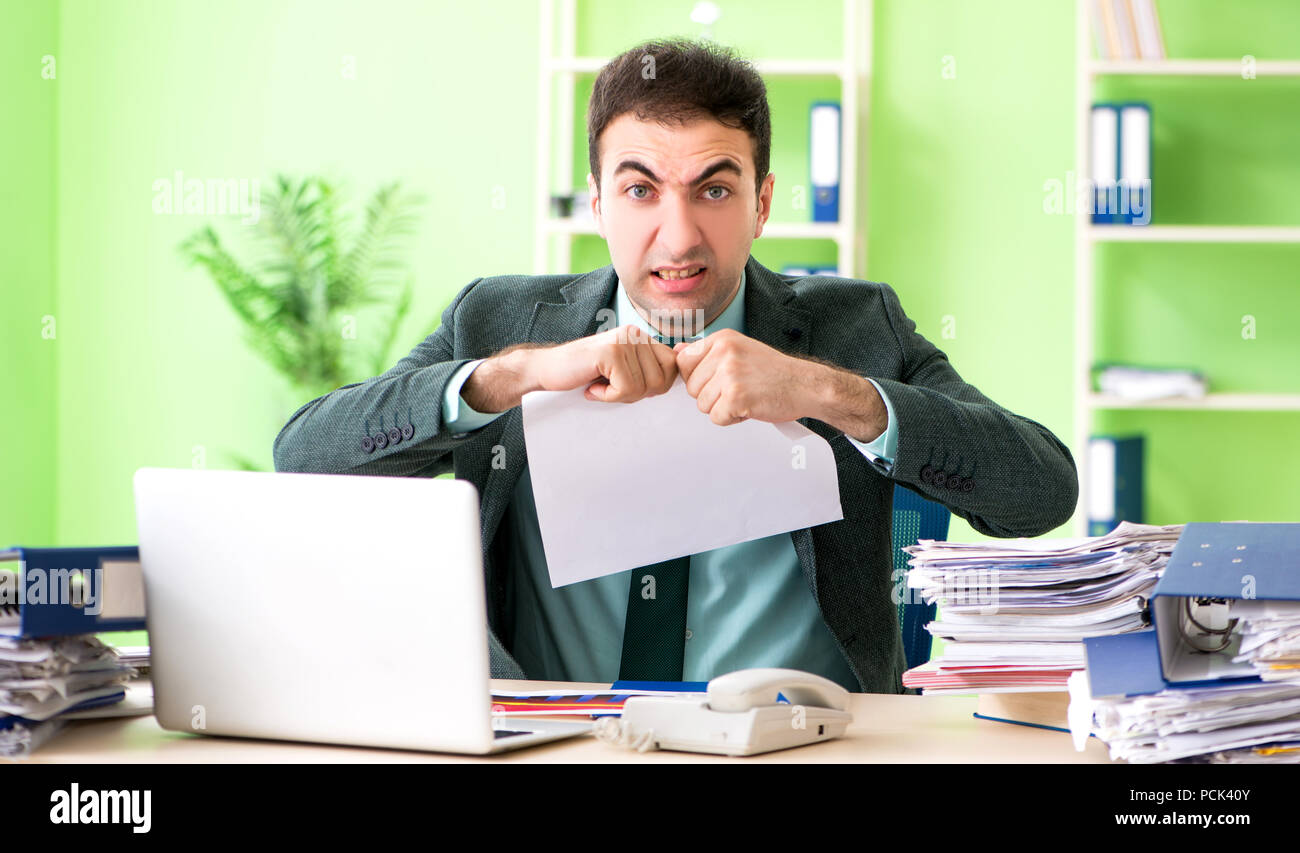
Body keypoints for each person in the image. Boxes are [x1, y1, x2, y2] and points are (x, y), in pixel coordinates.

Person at [273, 37, 1078, 694]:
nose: (680, 235)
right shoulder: (498, 320)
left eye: (714, 191)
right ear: (598, 204)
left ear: (763, 203)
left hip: (796, 747)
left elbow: (1042, 490)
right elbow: (305, 454)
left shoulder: (858, 324)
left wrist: (824, 391)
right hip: (555, 742)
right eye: (641, 190)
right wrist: (515, 375)